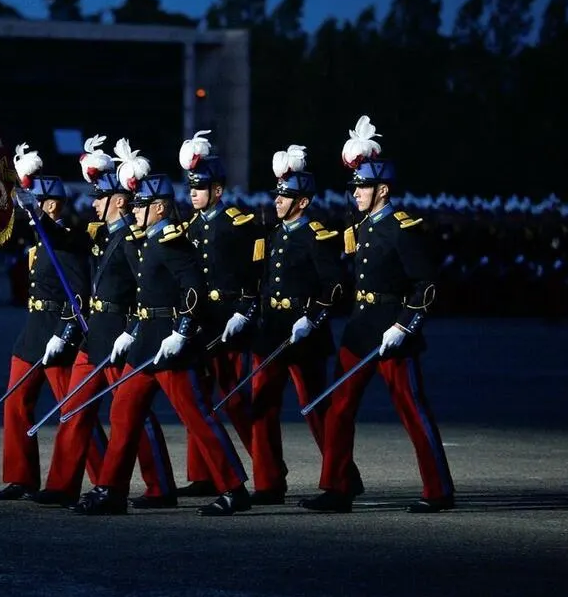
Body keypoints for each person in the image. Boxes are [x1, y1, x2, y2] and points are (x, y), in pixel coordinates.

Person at [73, 143, 250, 517]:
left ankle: (234, 487)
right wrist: (131, 330)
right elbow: (144, 295)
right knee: (123, 415)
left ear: (158, 208)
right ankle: (111, 489)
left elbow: (193, 289)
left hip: (170, 345)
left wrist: (182, 331)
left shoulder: (171, 241)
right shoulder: (146, 241)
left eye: (140, 205)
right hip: (146, 342)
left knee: (197, 417)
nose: (133, 210)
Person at [300, 115, 455, 514]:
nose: (355, 194)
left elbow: (426, 285)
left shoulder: (402, 228)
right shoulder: (363, 225)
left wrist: (405, 325)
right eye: (354, 188)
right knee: (339, 406)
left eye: (363, 188)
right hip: (360, 326)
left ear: (382, 190)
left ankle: (438, 489)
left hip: (392, 328)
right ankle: (337, 488)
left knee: (410, 406)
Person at [32, 135, 176, 508]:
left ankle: (160, 486)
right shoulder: (100, 234)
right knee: (74, 408)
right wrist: (32, 213)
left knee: (131, 415)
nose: (93, 202)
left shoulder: (132, 239)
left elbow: (146, 288)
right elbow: (62, 241)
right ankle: (62, 483)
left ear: (117, 200)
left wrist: (134, 330)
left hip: (120, 336)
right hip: (96, 334)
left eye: (99, 197)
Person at [0, 143, 104, 501]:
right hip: (33, 331)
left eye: (35, 202)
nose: (29, 209)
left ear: (51, 204)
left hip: (59, 332)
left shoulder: (65, 240)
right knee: (16, 402)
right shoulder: (39, 241)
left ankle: (104, 478)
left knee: (72, 410)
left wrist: (64, 333)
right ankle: (20, 477)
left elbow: (79, 295)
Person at [248, 145, 361, 504]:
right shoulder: (273, 233)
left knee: (315, 407)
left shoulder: (315, 234)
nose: (277, 202)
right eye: (278, 196)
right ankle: (268, 482)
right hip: (273, 328)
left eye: (285, 197)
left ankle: (341, 478)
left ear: (302, 202)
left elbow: (335, 285)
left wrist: (312, 318)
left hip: (304, 330)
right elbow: (263, 280)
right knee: (262, 404)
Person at [177, 131, 265, 500]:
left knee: (234, 399)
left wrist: (245, 310)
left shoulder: (239, 223)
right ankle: (203, 475)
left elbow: (257, 274)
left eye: (201, 187)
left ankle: (266, 474)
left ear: (217, 190)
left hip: (230, 319)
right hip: (203, 322)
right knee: (200, 397)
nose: (193, 192)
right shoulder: (191, 225)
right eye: (192, 187)